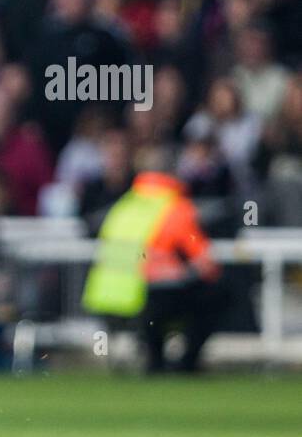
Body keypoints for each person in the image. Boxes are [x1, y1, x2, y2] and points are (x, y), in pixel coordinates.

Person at [82, 154, 223, 372]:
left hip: (107, 298)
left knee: (158, 307)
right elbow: (207, 264)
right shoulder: (176, 208)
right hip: (145, 297)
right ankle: (185, 363)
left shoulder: (124, 205)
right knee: (218, 296)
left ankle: (154, 361)